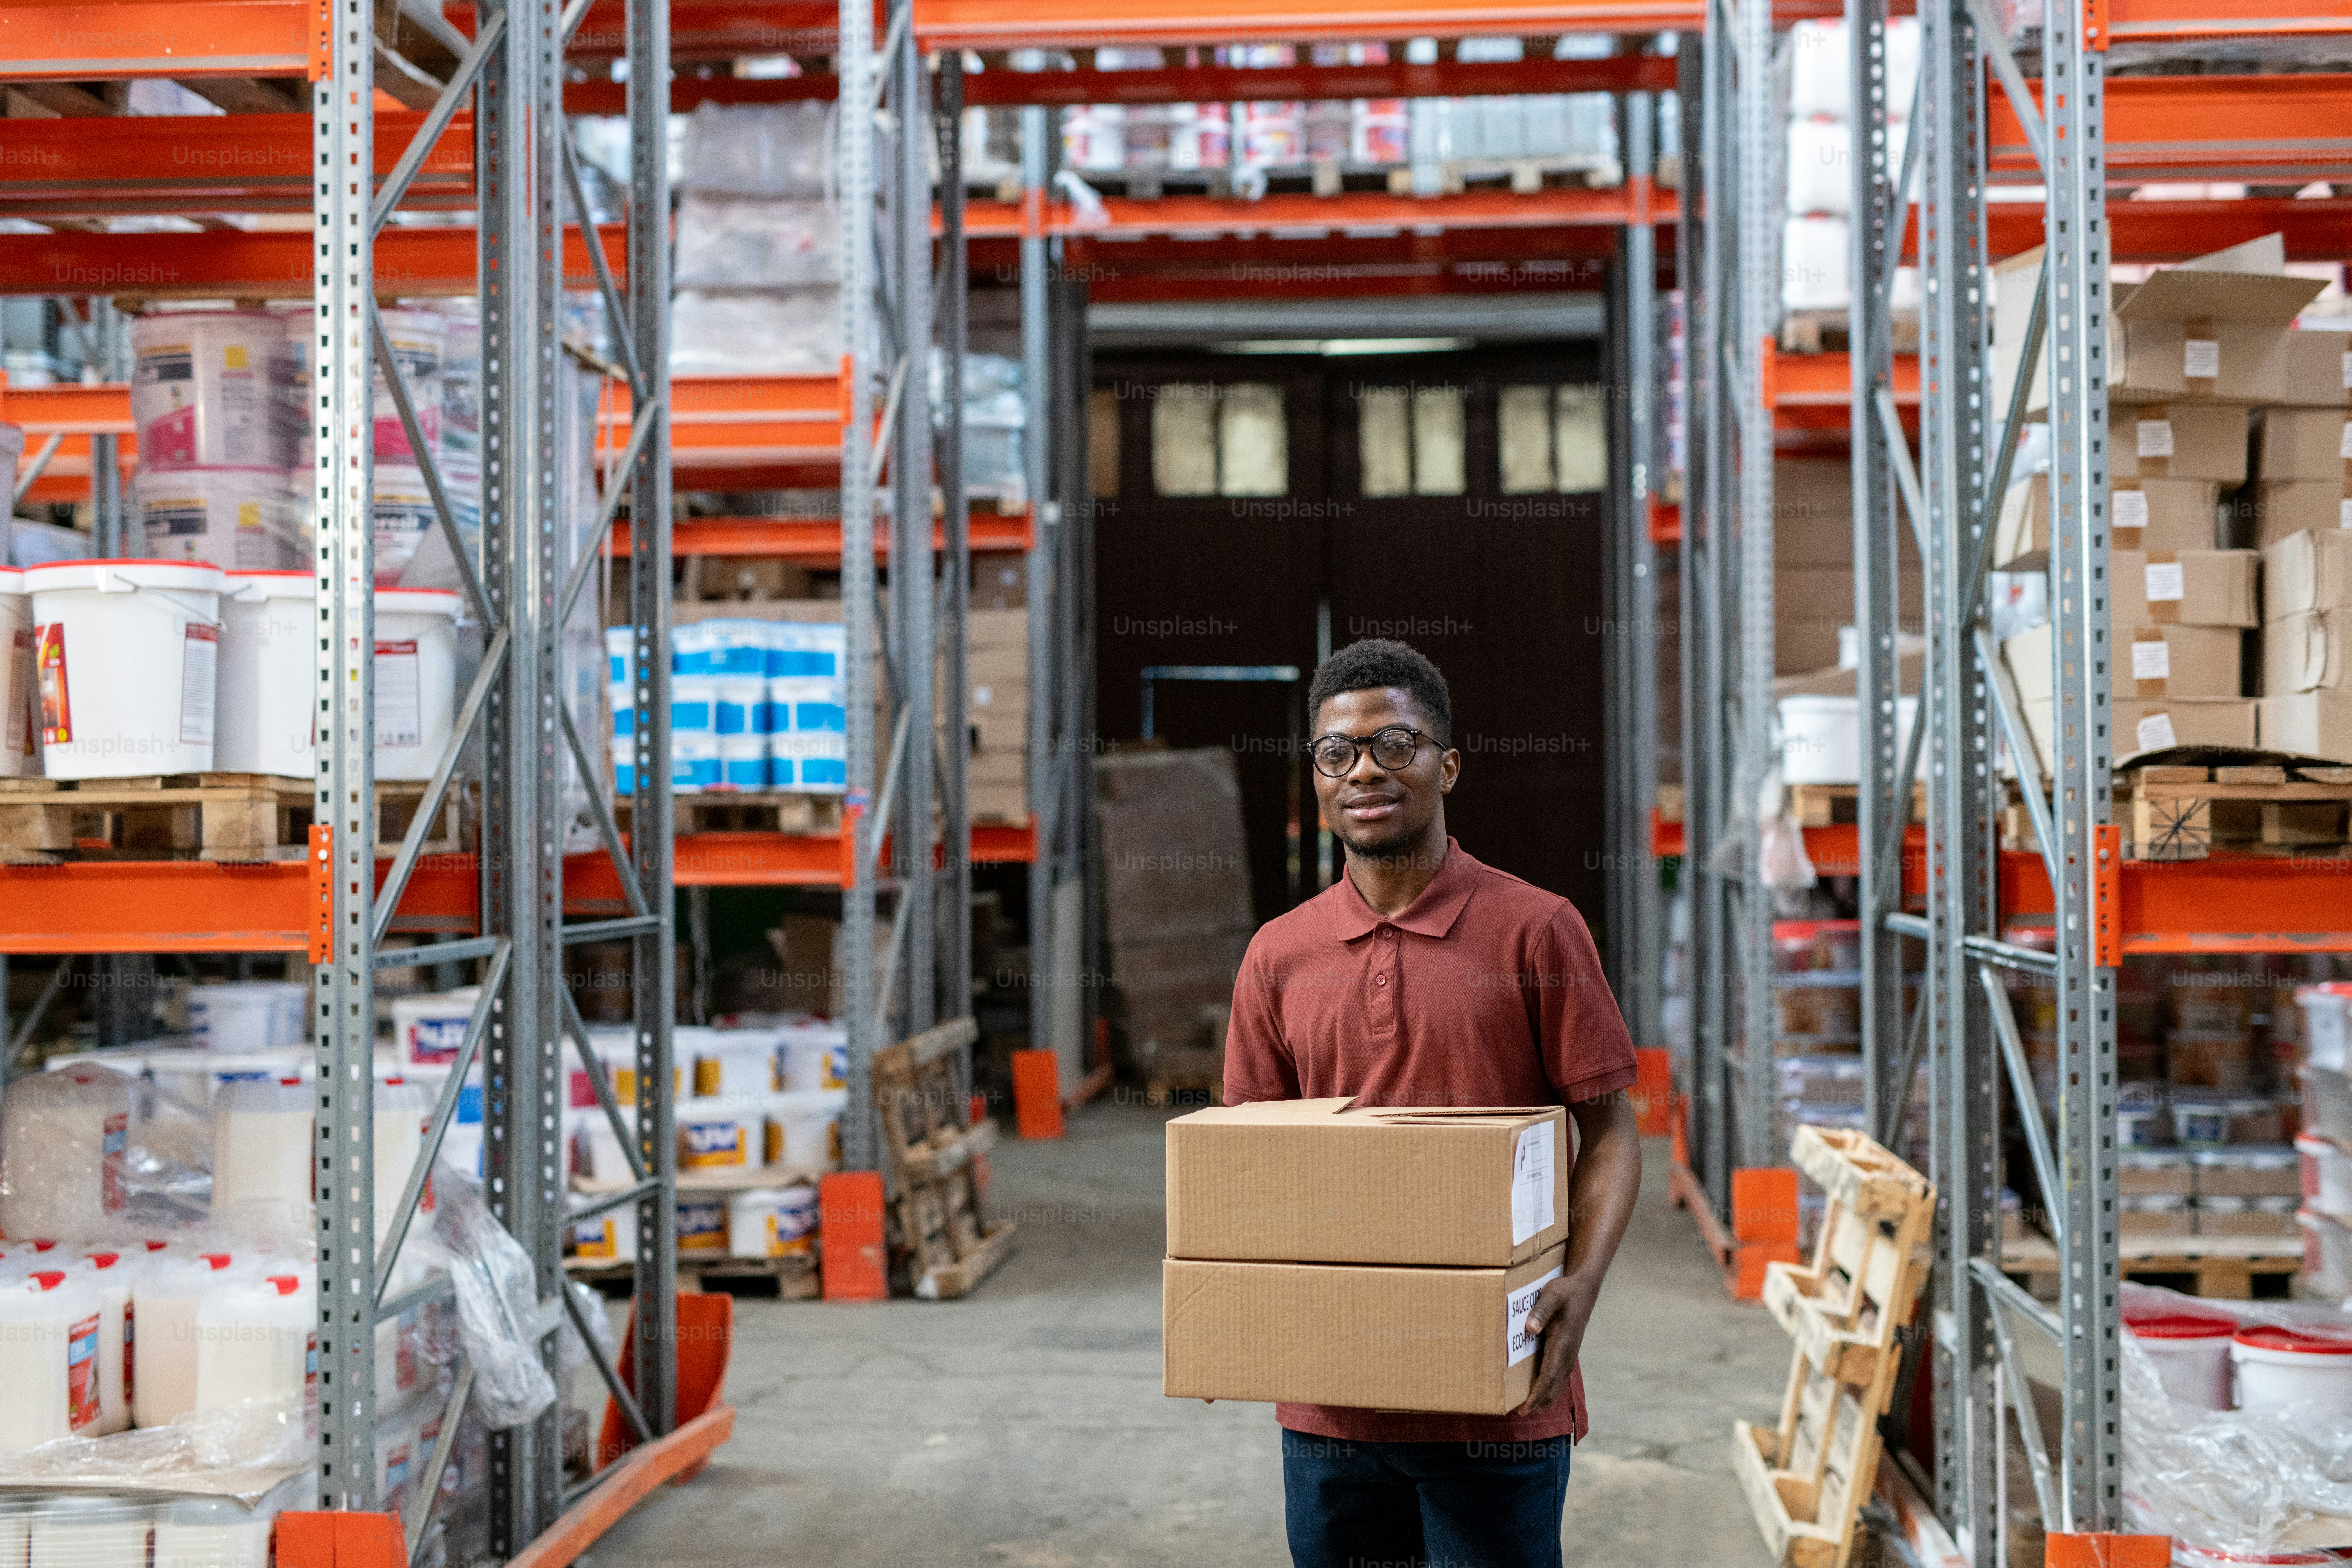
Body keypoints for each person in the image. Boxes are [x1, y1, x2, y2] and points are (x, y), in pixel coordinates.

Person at [1221, 637, 1643, 1568]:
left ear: (1447, 766)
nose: (1365, 770)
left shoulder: (1537, 929)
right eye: (1338, 754)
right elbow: (1247, 1164)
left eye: (1395, 746)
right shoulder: (1277, 956)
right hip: (1330, 1406)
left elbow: (1610, 1128)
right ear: (1318, 779)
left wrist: (1582, 1283)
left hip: (1497, 1399)